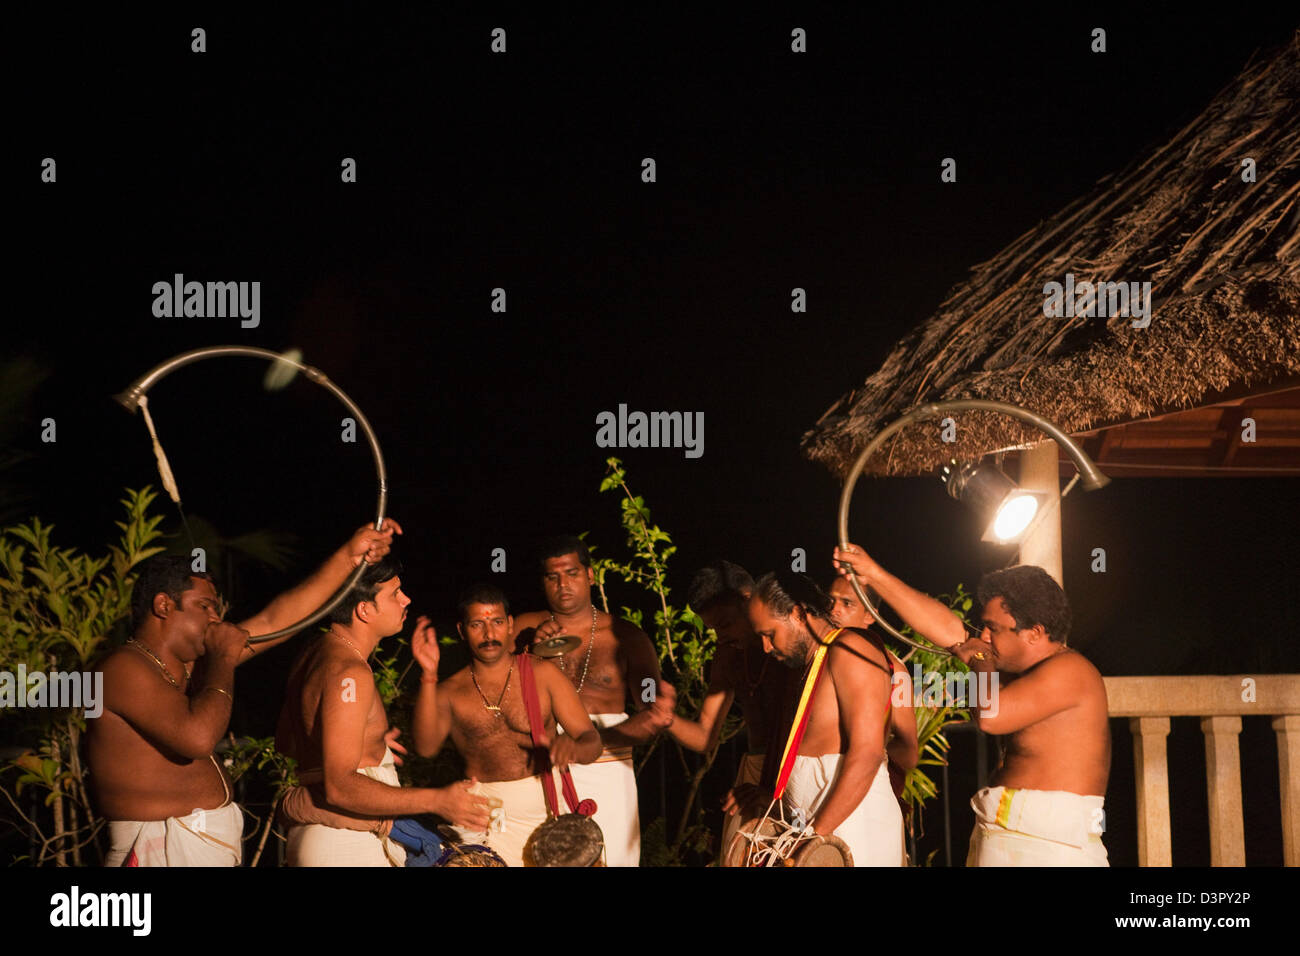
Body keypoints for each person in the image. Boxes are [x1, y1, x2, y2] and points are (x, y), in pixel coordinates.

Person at [87, 520, 403, 866]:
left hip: (201, 846)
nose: (216, 619)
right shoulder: (122, 668)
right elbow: (197, 738)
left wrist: (348, 557)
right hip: (158, 850)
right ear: (164, 605)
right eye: (204, 606)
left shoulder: (186, 668)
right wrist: (223, 659)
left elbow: (274, 620)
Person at [833, 544, 1110, 866]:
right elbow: (951, 631)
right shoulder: (1013, 666)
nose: (986, 637)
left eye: (994, 628)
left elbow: (992, 717)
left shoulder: (1071, 671)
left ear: (1035, 633)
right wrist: (874, 574)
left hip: (1049, 846)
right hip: (1004, 832)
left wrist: (979, 659)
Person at [275, 555, 491, 866]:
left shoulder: (312, 654)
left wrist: (364, 739)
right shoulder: (351, 671)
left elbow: (287, 742)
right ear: (364, 609)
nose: (406, 599)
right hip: (346, 845)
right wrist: (439, 799)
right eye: (394, 593)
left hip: (317, 836)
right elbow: (340, 787)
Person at [511, 535, 675, 866]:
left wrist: (590, 742)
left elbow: (652, 715)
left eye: (571, 573)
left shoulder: (626, 637)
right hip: (539, 766)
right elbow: (491, 693)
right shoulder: (523, 629)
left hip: (607, 769)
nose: (562, 585)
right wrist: (526, 653)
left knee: (611, 858)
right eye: (552, 576)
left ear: (590, 575)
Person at [411, 584, 602, 865]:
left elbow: (592, 741)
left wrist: (573, 747)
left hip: (550, 813)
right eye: (477, 624)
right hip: (486, 821)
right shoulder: (450, 691)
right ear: (462, 631)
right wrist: (428, 676)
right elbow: (425, 748)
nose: (489, 634)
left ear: (510, 624)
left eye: (497, 622)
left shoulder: (542, 674)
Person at [724, 572, 905, 866]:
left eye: (770, 634)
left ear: (797, 614)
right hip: (811, 828)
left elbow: (868, 753)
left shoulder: (850, 651)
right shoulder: (806, 665)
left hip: (852, 828)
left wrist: (813, 840)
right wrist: (773, 799)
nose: (767, 648)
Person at [665, 561, 794, 860]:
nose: (720, 637)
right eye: (712, 629)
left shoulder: (792, 643)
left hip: (797, 770)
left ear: (749, 598)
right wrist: (665, 718)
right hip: (755, 774)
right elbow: (705, 737)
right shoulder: (726, 655)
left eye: (724, 624)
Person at [826, 576, 919, 801]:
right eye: (830, 601)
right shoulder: (814, 657)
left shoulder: (893, 669)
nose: (834, 610)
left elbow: (909, 753)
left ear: (870, 615)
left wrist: (864, 755)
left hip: (861, 791)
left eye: (847, 603)